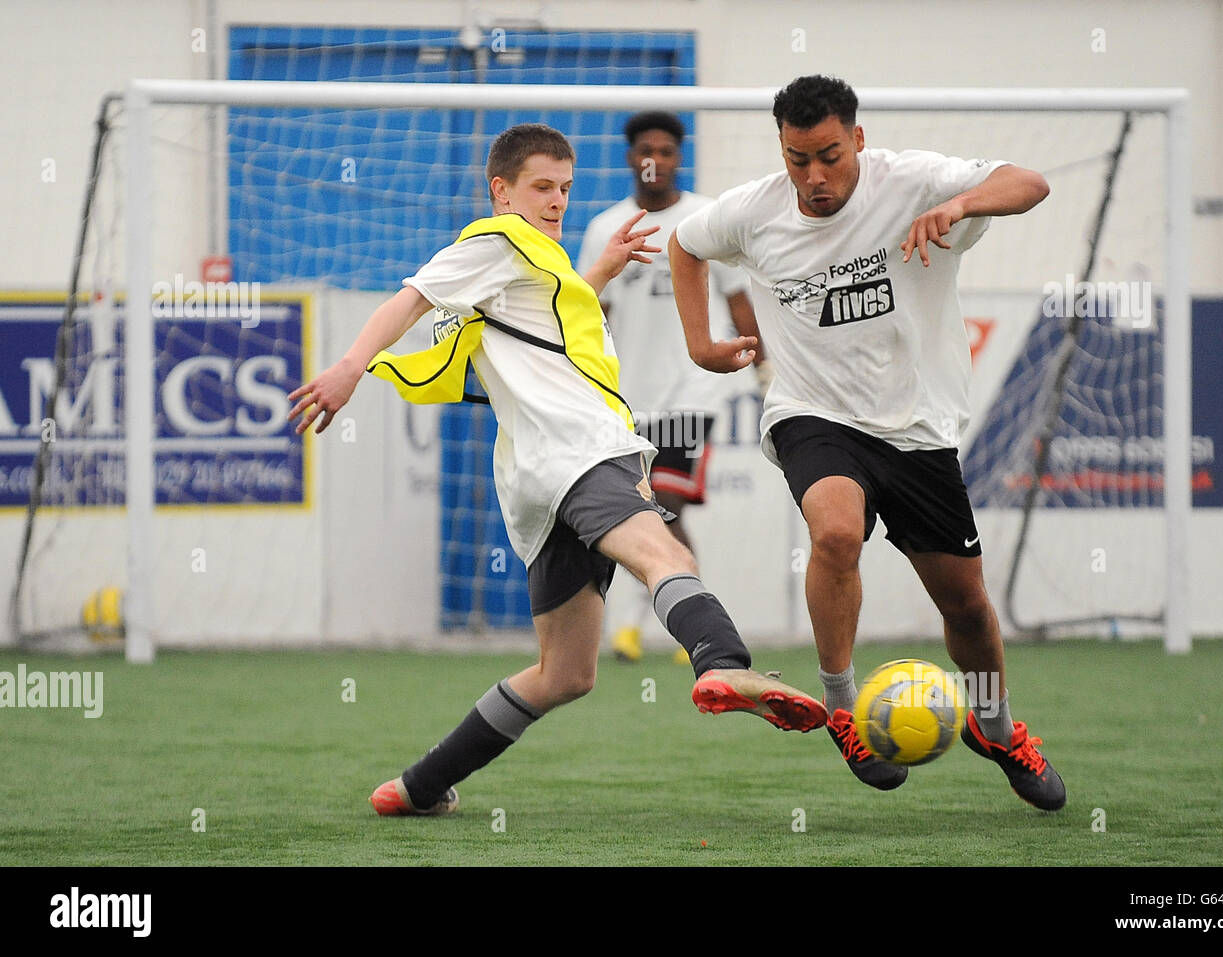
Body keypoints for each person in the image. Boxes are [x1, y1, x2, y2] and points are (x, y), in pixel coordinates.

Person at [288, 123, 827, 817]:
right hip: (580, 449)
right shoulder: (494, 239)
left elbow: (543, 319)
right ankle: (723, 662)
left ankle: (420, 785)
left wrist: (599, 270)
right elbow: (411, 296)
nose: (557, 201)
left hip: (534, 482)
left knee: (565, 673)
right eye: (542, 187)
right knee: (660, 548)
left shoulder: (525, 264)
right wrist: (348, 366)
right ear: (500, 190)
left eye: (566, 188)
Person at [668, 75, 1066, 810]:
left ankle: (997, 726)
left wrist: (962, 202)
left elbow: (1031, 182)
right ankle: (842, 708)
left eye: (827, 155)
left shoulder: (913, 182)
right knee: (838, 532)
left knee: (968, 607)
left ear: (857, 138)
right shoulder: (754, 211)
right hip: (812, 414)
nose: (814, 177)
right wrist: (700, 345)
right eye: (796, 160)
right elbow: (684, 245)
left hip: (916, 427)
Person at [576, 111, 759, 664]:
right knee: (642, 511)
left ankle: (669, 625)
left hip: (692, 391)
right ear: (631, 158)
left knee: (668, 506)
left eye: (667, 151)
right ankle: (672, 621)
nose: (655, 160)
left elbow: (736, 299)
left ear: (679, 158)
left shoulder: (705, 218)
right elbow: (591, 312)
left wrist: (768, 369)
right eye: (644, 151)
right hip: (630, 397)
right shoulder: (606, 228)